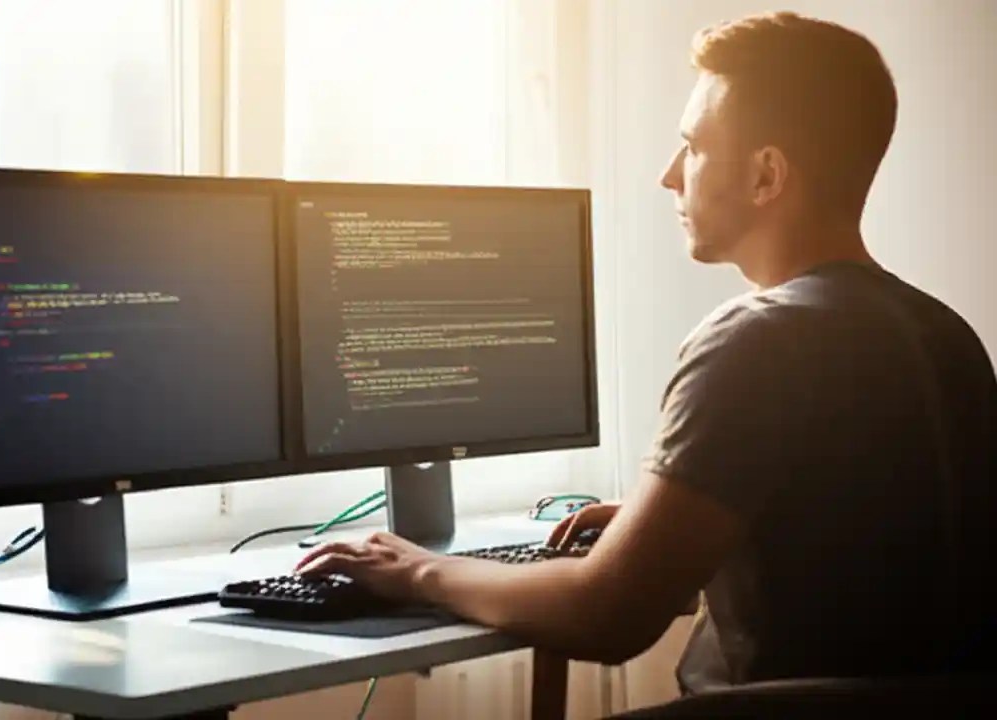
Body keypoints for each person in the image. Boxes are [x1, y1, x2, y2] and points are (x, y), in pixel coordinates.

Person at [297, 10, 997, 696]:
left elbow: (607, 616)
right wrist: (668, 522)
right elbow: (863, 555)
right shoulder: (948, 337)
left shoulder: (757, 340)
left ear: (766, 176)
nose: (669, 174)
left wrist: (417, 570)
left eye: (693, 146)